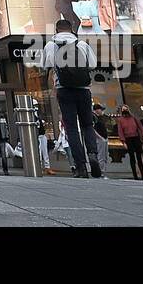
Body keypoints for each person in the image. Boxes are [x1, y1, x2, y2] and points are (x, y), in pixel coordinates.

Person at [42, 19, 101, 178]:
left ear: (56, 30)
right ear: (71, 29)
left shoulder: (51, 45)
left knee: (72, 128)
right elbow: (93, 64)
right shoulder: (81, 44)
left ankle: (80, 166)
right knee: (88, 125)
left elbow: (45, 65)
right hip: (83, 90)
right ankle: (93, 154)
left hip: (63, 90)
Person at [116, 105, 143, 180]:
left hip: (135, 137)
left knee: (139, 156)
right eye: (123, 109)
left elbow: (140, 127)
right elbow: (120, 131)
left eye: (126, 109)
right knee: (132, 157)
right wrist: (123, 142)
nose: (125, 111)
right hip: (128, 139)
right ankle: (135, 175)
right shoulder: (121, 120)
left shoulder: (133, 118)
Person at [91, 103, 112, 173]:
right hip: (100, 139)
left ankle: (103, 171)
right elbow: (92, 129)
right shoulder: (93, 117)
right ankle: (101, 172)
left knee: (104, 156)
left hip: (104, 138)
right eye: (101, 109)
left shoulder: (99, 117)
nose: (102, 111)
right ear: (97, 110)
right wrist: (100, 137)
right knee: (101, 156)